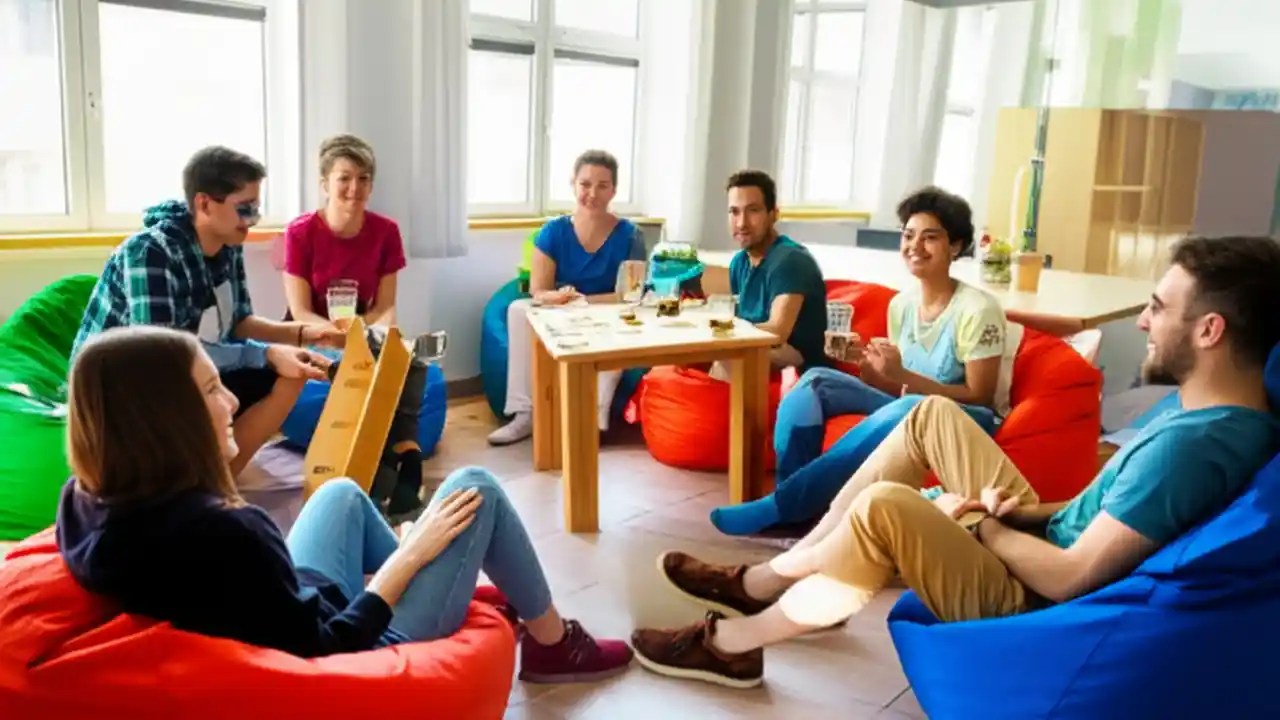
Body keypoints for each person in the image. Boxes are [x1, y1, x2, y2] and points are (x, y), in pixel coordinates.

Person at [631, 235, 1280, 688]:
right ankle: (775, 578)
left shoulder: (1191, 446)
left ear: (1211, 330)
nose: (1142, 322)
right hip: (1038, 539)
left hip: (1030, 599)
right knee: (930, 416)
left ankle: (737, 643)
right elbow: (1108, 517)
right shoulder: (1208, 421)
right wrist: (1019, 512)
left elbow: (1070, 579)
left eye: (1159, 307)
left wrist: (982, 527)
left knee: (888, 508)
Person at [56, 326, 634, 683]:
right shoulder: (225, 532)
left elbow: (265, 595)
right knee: (477, 487)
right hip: (351, 650)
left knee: (340, 492)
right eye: (211, 389)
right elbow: (327, 647)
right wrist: (402, 566)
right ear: (162, 420)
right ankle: (555, 645)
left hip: (290, 608)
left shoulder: (86, 503)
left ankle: (455, 569)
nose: (232, 400)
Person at [710, 187, 1010, 536]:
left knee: (912, 405)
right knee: (816, 381)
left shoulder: (978, 309)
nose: (915, 246)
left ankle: (781, 506)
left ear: (956, 246)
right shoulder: (902, 304)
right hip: (909, 406)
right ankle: (794, 499)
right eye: (908, 235)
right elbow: (895, 385)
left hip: (965, 421)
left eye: (930, 238)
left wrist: (904, 379)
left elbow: (980, 396)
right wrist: (867, 366)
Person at [72, 146, 344, 478]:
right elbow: (165, 357)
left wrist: (301, 334)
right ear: (204, 204)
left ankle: (221, 479)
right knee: (255, 370)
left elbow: (240, 323)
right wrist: (269, 354)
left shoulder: (228, 245)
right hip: (126, 388)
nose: (252, 221)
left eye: (256, 209)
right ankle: (201, 483)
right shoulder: (150, 253)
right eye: (244, 209)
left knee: (293, 371)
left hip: (186, 366)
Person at [282, 134, 426, 518]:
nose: (354, 188)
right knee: (355, 374)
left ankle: (405, 451)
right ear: (325, 183)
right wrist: (338, 338)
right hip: (314, 329)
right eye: (344, 178)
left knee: (412, 363)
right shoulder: (300, 232)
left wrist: (369, 336)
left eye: (363, 179)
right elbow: (297, 311)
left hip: (364, 328)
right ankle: (385, 474)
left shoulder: (385, 231)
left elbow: (386, 306)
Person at [488, 150, 646, 446]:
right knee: (517, 309)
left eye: (602, 185)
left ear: (614, 190)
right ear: (574, 184)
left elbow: (631, 294)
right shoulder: (553, 232)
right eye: (585, 184)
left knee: (623, 326)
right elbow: (538, 289)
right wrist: (557, 298)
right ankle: (525, 413)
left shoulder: (630, 235)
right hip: (562, 310)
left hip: (607, 313)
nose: (592, 193)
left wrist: (585, 302)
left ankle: (592, 420)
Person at [718, 170, 826, 375]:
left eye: (753, 210)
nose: (742, 223)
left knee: (727, 359)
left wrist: (719, 335)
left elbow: (777, 331)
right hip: (755, 347)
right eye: (734, 212)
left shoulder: (791, 260)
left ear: (773, 214)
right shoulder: (739, 262)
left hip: (798, 366)